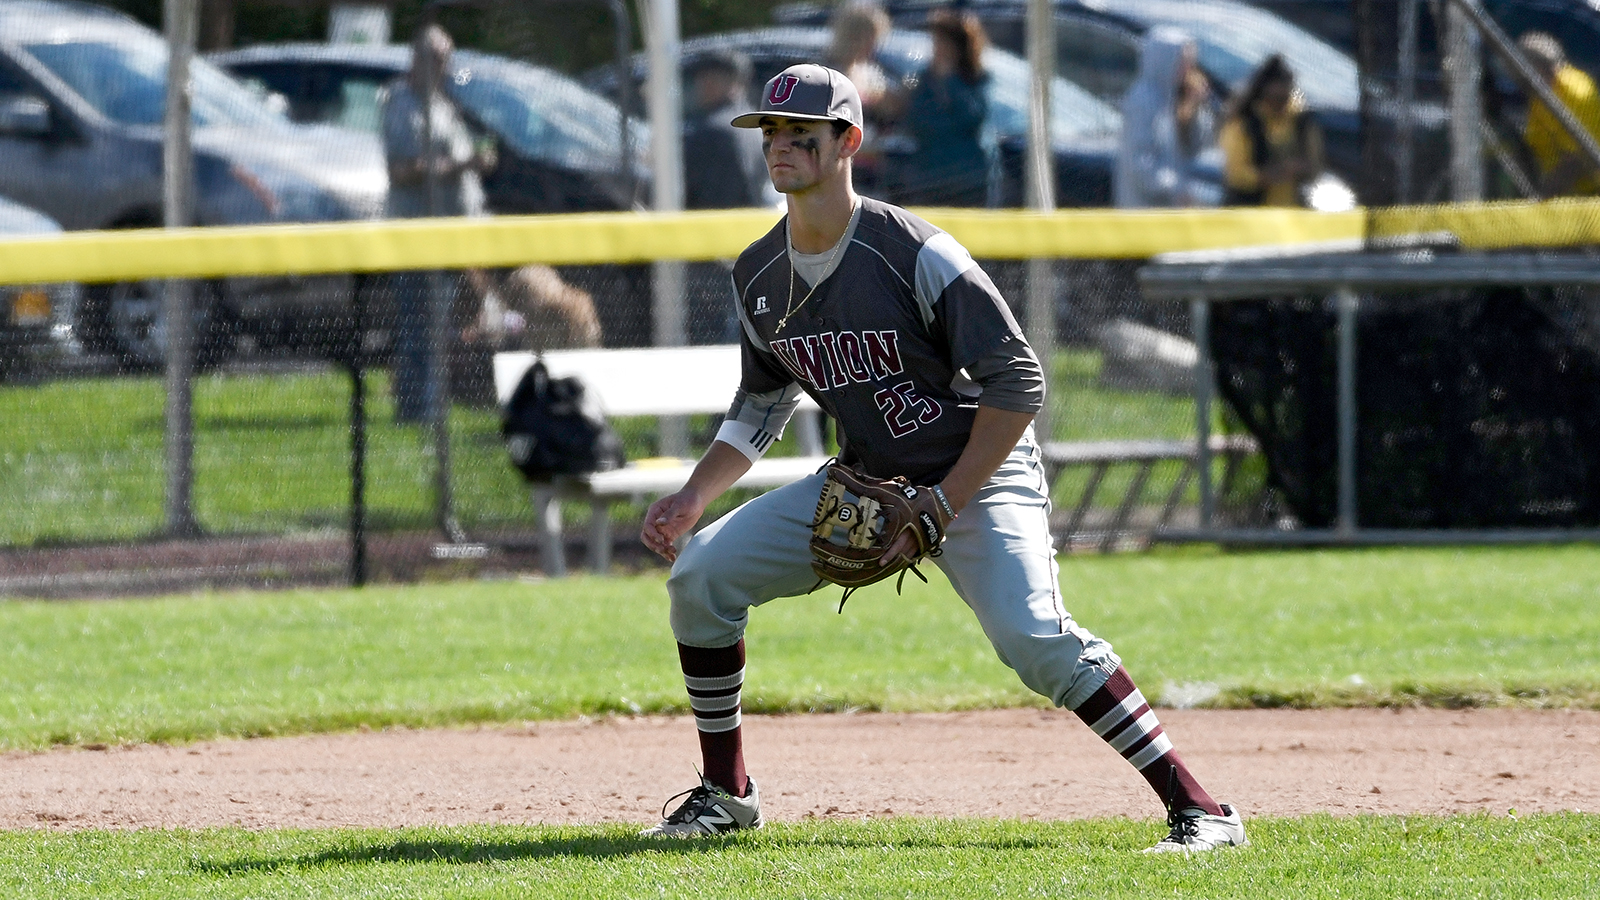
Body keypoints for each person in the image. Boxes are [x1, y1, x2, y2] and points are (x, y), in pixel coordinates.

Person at [636, 63, 1247, 853]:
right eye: (771, 133)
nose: (781, 146)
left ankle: (1202, 809)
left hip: (980, 475)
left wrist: (947, 502)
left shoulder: (913, 251)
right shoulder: (759, 272)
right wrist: (692, 498)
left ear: (848, 142)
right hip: (869, 483)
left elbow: (1019, 382)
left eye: (802, 133)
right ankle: (727, 794)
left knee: (1036, 641)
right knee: (702, 576)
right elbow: (763, 402)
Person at [380, 22, 496, 422]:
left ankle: (429, 408)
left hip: (451, 235)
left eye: (446, 59)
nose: (444, 67)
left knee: (439, 325)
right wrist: (464, 164)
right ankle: (417, 412)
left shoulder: (443, 102)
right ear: (417, 58)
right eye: (437, 59)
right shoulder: (401, 102)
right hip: (418, 234)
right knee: (419, 327)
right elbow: (402, 170)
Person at [897, 8, 993, 207]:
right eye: (935, 42)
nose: (937, 48)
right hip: (929, 177)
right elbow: (915, 121)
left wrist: (950, 81)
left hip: (968, 178)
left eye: (943, 42)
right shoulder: (924, 80)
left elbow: (972, 117)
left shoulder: (975, 79)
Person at [1115, 27, 1218, 209]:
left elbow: (1197, 147)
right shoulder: (1144, 101)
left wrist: (1195, 107)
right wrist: (1176, 188)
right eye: (1184, 61)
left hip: (1169, 207)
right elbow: (1140, 163)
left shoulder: (1172, 99)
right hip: (1144, 209)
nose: (1189, 68)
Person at [1217, 54, 1323, 208]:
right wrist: (1270, 175)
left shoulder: (1300, 120)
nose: (1281, 104)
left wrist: (1303, 168)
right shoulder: (1243, 122)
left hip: (1292, 214)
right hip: (1251, 212)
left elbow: (1315, 163)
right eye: (1276, 98)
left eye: (1285, 97)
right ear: (1263, 92)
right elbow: (1235, 174)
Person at [683, 51, 775, 210]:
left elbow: (701, 196)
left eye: (706, 78)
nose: (701, 85)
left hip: (716, 225)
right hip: (757, 221)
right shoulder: (759, 126)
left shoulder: (712, 130)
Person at [1517, 31, 1600, 198]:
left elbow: (1579, 157)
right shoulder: (1541, 93)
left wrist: (1543, 196)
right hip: (1566, 193)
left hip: (1590, 194)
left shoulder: (1575, 91)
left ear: (1537, 67)